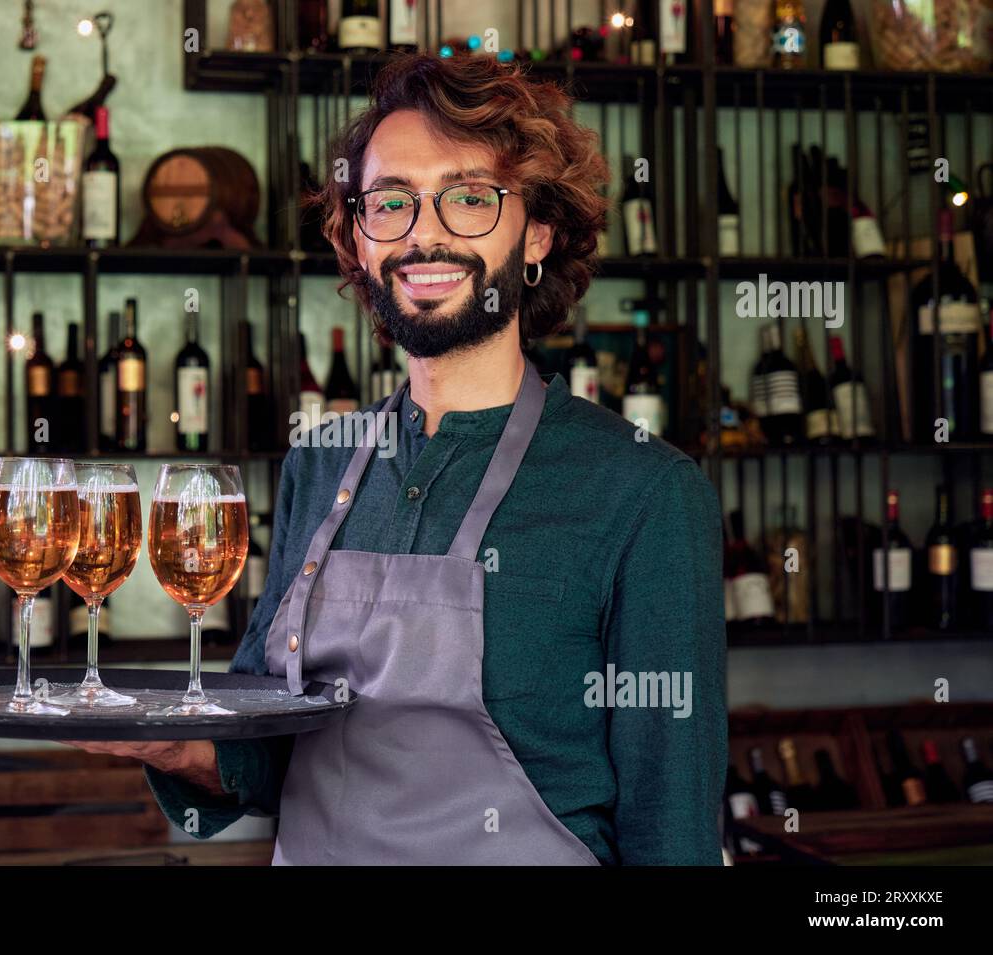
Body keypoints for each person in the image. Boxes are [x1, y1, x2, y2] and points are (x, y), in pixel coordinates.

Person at [67, 53, 726, 865]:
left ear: (539, 235)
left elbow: (674, 828)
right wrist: (180, 747)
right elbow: (267, 746)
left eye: (471, 197)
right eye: (391, 203)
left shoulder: (644, 491)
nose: (425, 232)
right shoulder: (319, 465)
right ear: (360, 242)